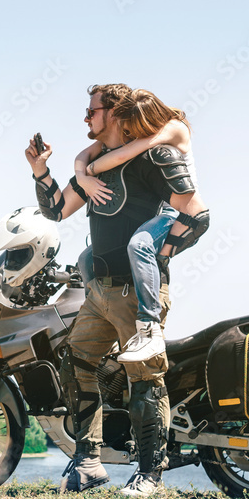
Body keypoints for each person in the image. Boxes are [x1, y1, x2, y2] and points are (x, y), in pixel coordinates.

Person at [26, 83, 194, 496]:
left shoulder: (153, 157)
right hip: (98, 291)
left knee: (145, 377)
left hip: (136, 293)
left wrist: (162, 253)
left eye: (92, 111)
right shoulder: (96, 165)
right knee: (76, 363)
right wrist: (40, 170)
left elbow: (192, 210)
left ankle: (150, 474)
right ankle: (88, 463)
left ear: (116, 113)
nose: (86, 118)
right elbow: (57, 209)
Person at [72, 89, 210, 363]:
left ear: (148, 119)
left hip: (176, 210)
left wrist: (90, 171)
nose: (129, 131)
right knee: (87, 258)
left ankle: (149, 329)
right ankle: (100, 309)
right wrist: (82, 175)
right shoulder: (144, 135)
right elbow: (86, 154)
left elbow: (125, 153)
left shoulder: (174, 128)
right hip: (163, 208)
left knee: (140, 245)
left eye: (133, 125)